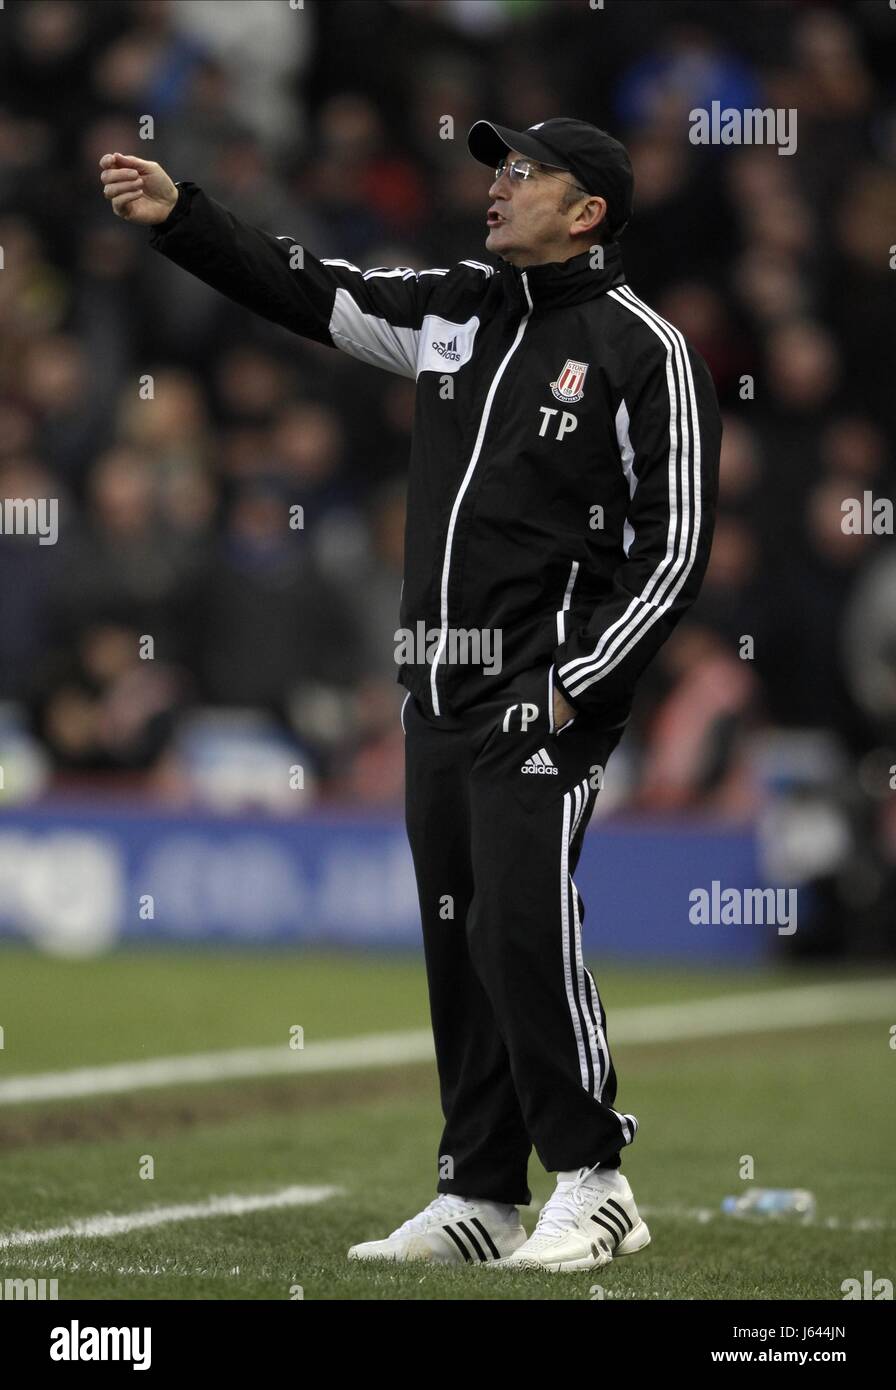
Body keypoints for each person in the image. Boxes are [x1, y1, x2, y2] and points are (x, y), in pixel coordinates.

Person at [99, 115, 721, 1273]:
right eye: (498, 165)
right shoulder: (455, 305)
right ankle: (480, 1191)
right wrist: (182, 219)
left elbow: (674, 545)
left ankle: (593, 1177)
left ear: (586, 211)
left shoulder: (644, 351)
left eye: (526, 171)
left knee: (519, 923)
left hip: (545, 694)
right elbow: (307, 287)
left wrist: (573, 684)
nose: (499, 184)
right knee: (458, 937)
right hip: (435, 683)